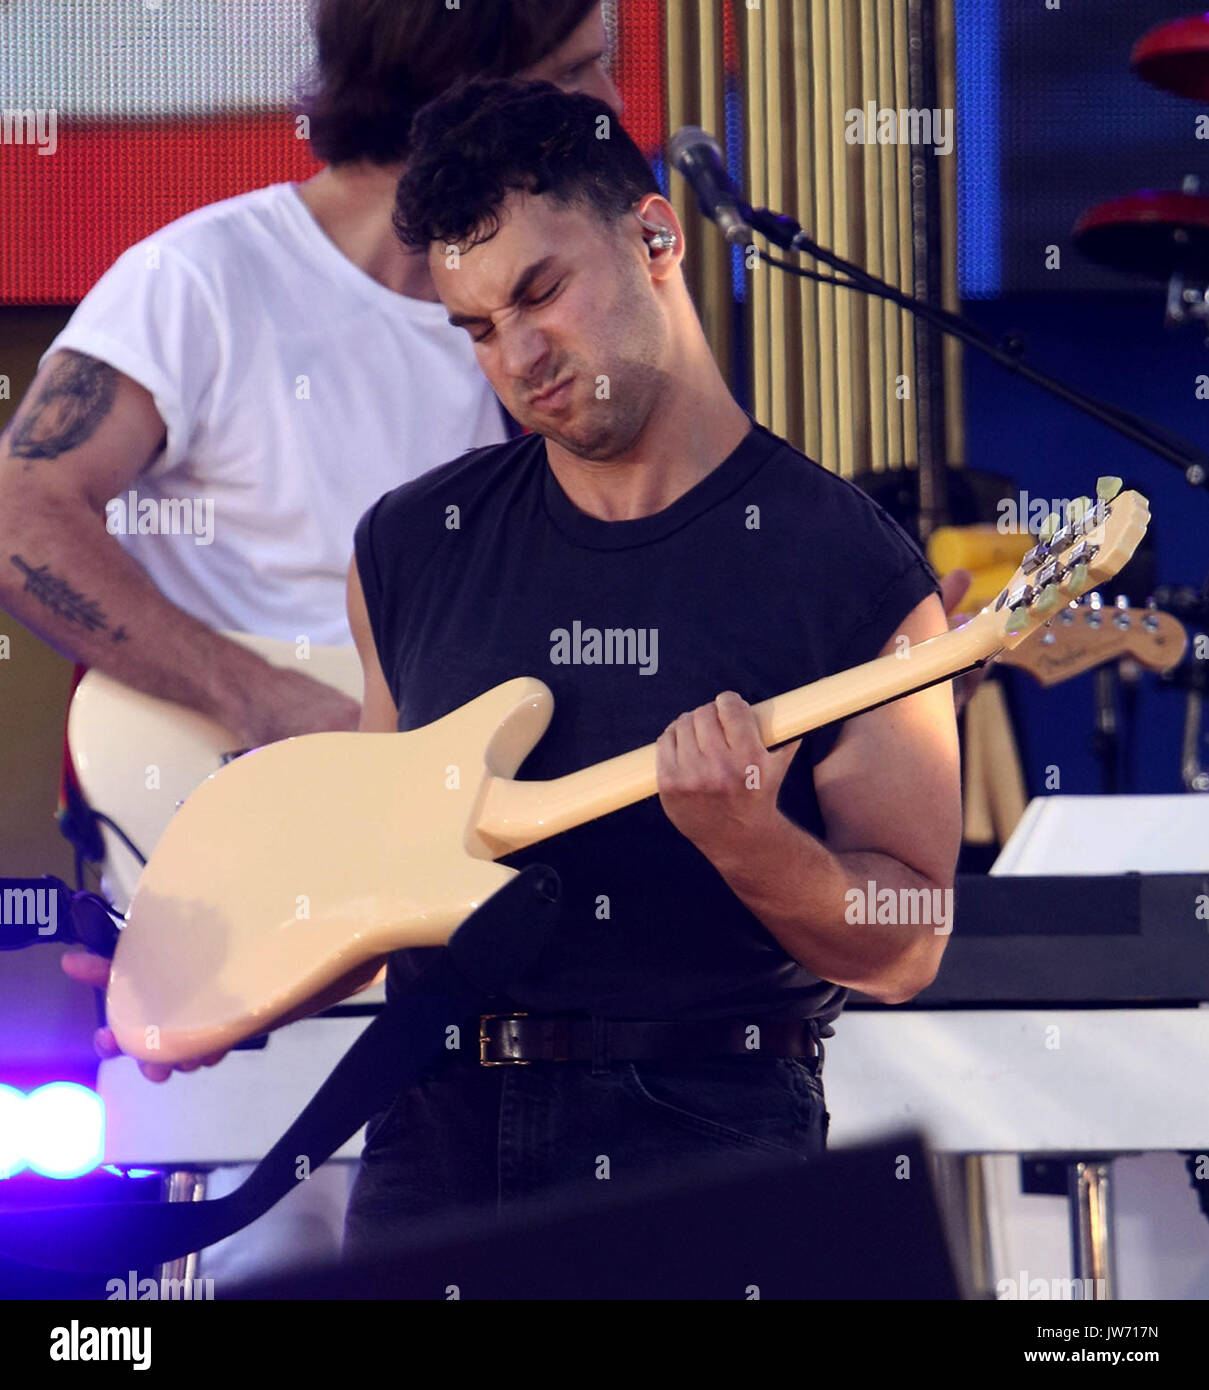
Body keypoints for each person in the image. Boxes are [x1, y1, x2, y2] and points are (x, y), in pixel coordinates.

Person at [341, 78, 963, 1255]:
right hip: (433, 1131)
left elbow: (907, 938)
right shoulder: (409, 547)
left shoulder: (852, 569)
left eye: (540, 291)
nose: (517, 354)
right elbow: (382, 880)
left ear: (657, 235)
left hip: (703, 1126)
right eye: (474, 326)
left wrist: (751, 842)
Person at [0, 0, 619, 1077]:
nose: (609, 107)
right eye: (576, 74)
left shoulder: (553, 317)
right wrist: (261, 698)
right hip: (238, 901)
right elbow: (21, 514)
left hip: (455, 922)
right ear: (454, 90)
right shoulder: (200, 279)